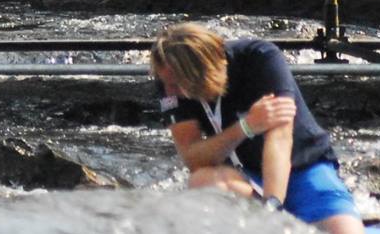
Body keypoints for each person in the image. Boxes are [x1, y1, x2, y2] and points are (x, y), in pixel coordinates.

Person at [148, 22, 364, 234]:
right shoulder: (170, 84)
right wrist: (246, 127)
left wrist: (272, 208)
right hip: (245, 178)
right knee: (201, 179)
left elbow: (280, 138)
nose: (169, 91)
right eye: (165, 82)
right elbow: (192, 157)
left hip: (303, 168)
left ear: (199, 71)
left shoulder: (260, 58)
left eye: (175, 83)